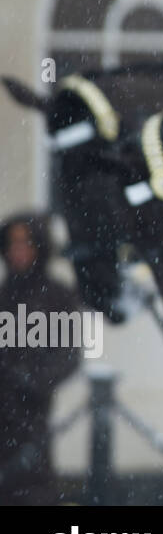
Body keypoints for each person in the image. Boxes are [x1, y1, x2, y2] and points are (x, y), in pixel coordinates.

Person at [0, 212, 83, 505]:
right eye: (13, 243)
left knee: (32, 482)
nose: (18, 251)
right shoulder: (4, 296)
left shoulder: (57, 297)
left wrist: (33, 379)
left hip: (33, 411)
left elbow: (69, 355)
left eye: (26, 243)